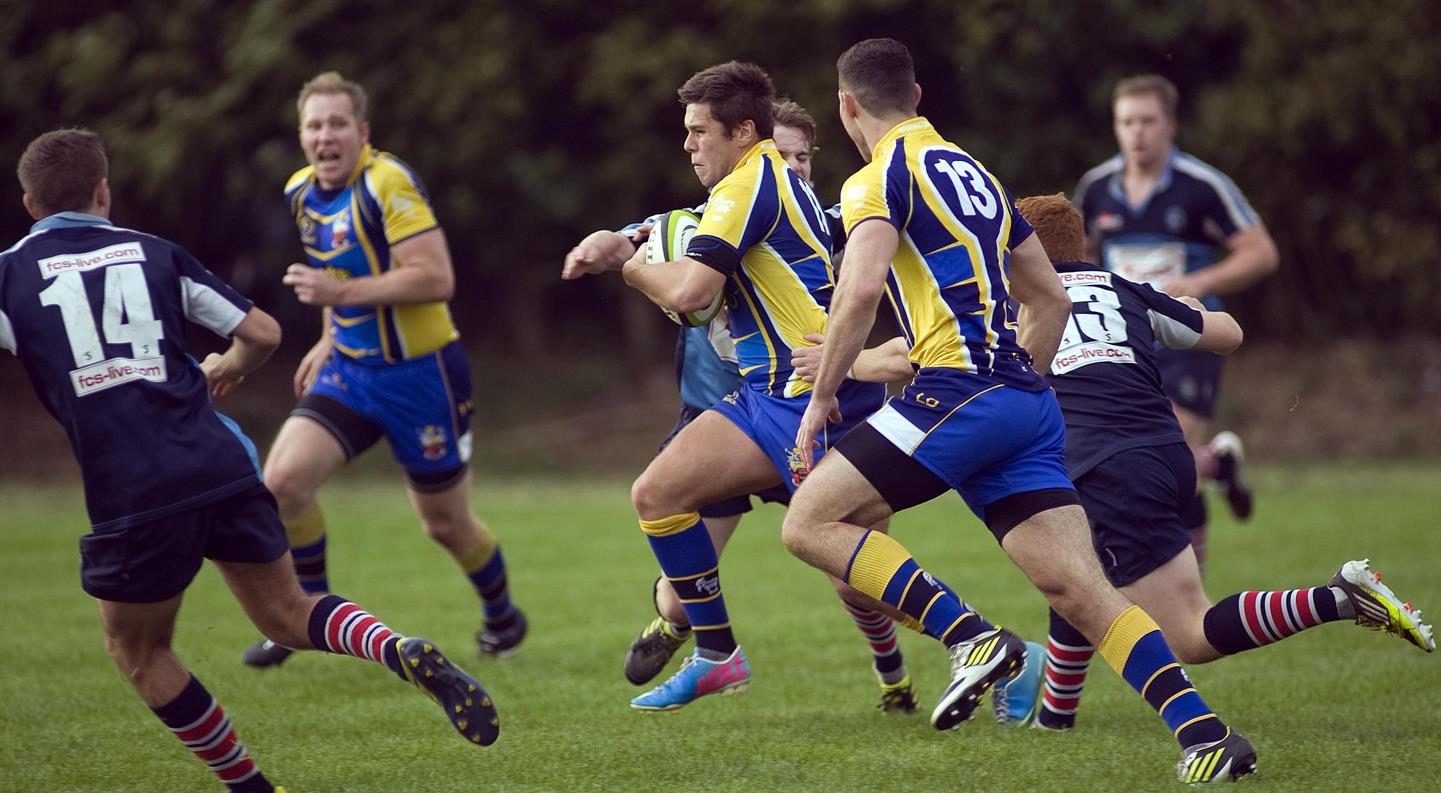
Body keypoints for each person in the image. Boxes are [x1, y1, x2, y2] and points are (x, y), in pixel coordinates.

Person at [780, 38, 1254, 783]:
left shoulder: (875, 179)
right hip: (1022, 400)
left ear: (846, 106)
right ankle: (1205, 735)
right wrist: (1015, 391)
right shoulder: (975, 172)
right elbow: (1052, 297)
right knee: (1081, 590)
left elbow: (860, 290)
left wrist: (819, 402)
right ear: (918, 97)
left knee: (807, 521)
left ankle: (969, 636)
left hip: (957, 387)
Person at [0, 129, 499, 793]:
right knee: (287, 612)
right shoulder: (153, 253)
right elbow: (261, 331)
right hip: (219, 461)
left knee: (139, 650)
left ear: (29, 204)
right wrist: (223, 366)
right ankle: (395, 646)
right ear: (102, 191)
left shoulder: (10, 274)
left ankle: (253, 788)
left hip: (134, 490)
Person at [975, 194, 1433, 732]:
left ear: (1019, 255)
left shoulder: (1010, 314)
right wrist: (1189, 310)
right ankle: (1055, 720)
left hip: (1106, 469)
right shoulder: (1125, 291)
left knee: (1189, 633)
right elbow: (1229, 334)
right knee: (1079, 571)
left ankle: (1338, 598)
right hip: (1168, 457)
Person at [563, 61, 935, 713]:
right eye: (779, 154)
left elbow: (698, 290)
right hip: (730, 413)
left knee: (854, 575)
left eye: (800, 158)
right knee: (666, 532)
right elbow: (637, 238)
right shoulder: (699, 219)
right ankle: (697, 635)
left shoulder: (827, 221)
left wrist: (869, 360)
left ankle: (925, 660)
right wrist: (605, 244)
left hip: (807, 407)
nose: (788, 168)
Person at [241, 71, 525, 668]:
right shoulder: (301, 192)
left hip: (422, 378)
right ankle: (301, 615)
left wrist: (338, 299)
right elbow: (334, 278)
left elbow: (435, 277)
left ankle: (503, 616)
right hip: (351, 371)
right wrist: (326, 336)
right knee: (282, 485)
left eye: (338, 123)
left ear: (361, 131)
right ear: (301, 135)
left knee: (445, 524)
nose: (326, 136)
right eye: (314, 125)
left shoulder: (386, 183)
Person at [1074, 75, 1280, 570]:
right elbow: (1076, 255)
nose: (1137, 133)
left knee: (1176, 451)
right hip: (1125, 341)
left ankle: (1191, 593)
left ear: (1169, 124)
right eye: (1126, 122)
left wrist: (1197, 281)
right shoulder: (1097, 188)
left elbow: (1261, 252)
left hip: (1189, 337)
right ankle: (1218, 465)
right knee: (1148, 462)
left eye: (1147, 121)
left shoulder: (1201, 187)